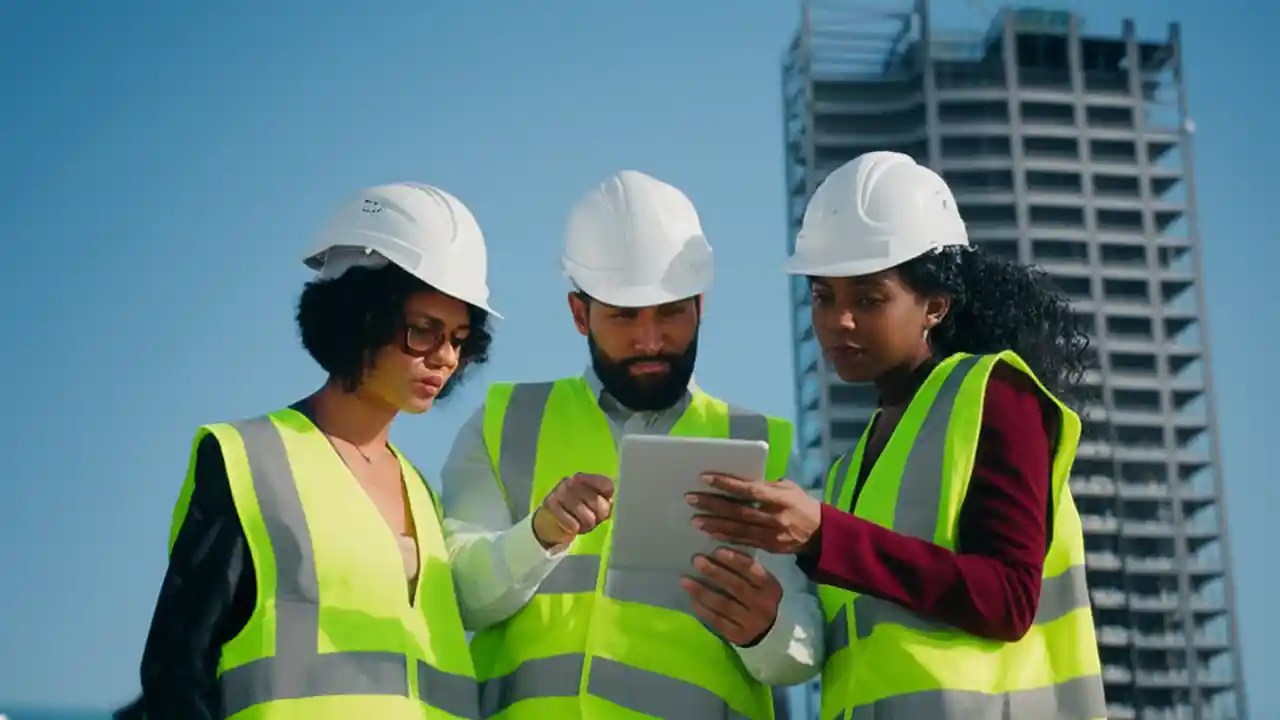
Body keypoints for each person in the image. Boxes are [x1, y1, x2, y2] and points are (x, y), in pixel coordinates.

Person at [688, 151, 1107, 719]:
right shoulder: (847, 471)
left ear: (934, 305)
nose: (840, 321)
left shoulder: (995, 394)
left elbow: (1009, 599)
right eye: (823, 296)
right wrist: (769, 622)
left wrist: (822, 536)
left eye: (869, 298)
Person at [440, 170, 823, 719]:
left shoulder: (759, 443)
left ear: (700, 306)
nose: (650, 340)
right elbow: (460, 596)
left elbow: (802, 656)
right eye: (624, 317)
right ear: (580, 315)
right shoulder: (507, 423)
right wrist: (538, 535)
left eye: (670, 313)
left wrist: (768, 628)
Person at [133, 182, 500, 719]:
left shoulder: (421, 491)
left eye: (459, 337)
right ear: (361, 315)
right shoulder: (248, 459)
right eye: (423, 330)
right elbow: (175, 674)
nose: (445, 356)